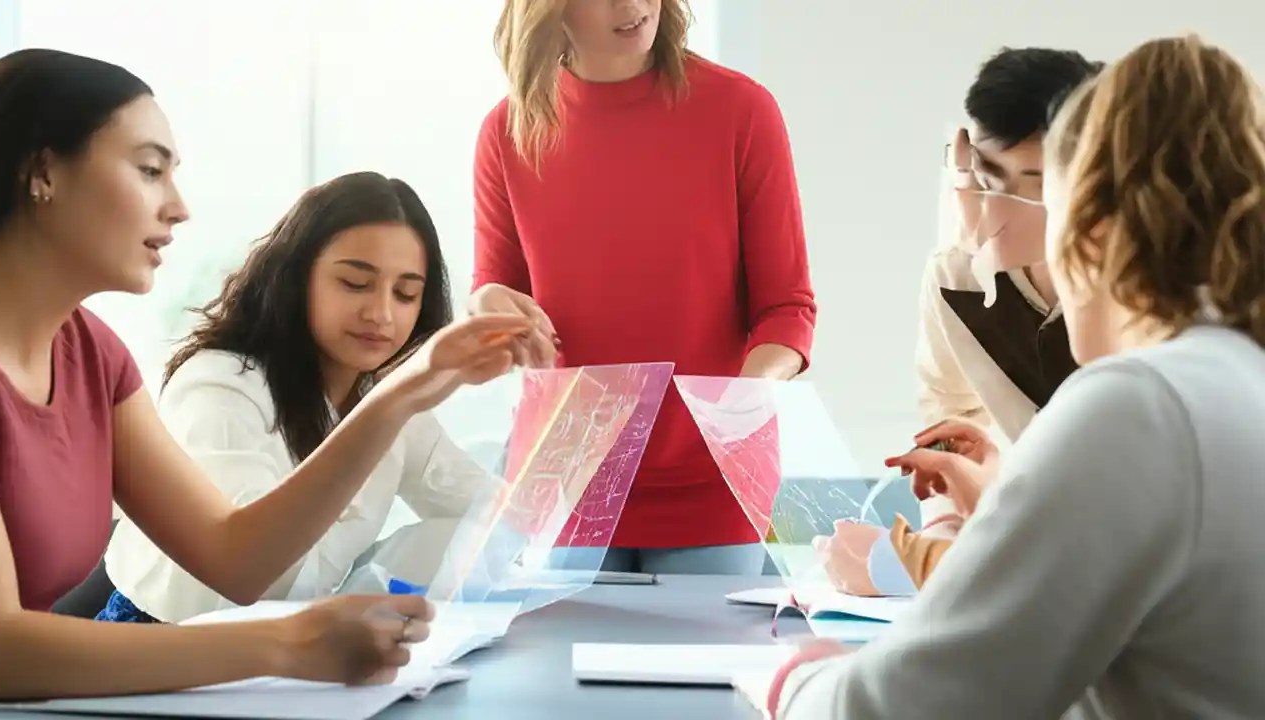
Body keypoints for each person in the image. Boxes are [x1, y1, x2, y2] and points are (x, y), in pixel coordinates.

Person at [0, 49, 533, 699]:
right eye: (150, 170)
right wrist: (287, 643)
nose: (179, 207)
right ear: (44, 172)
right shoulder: (220, 381)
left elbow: (236, 561)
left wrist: (403, 395)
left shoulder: (94, 355)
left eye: (406, 292)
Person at [770, 35, 1265, 718]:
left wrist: (795, 684)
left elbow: (925, 702)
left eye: (1042, 196)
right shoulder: (1236, 377)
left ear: (1091, 223)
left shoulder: (1137, 405)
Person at [470, 0, 816, 575]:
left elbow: (788, 309)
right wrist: (488, 309)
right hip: (566, 475)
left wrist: (743, 400)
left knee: (704, 640)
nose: (632, 5)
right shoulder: (506, 133)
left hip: (710, 479)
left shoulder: (741, 110)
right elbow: (494, 285)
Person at [97, 171, 502, 623]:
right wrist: (397, 399)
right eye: (355, 283)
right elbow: (250, 574)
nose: (381, 314)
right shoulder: (222, 385)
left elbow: (495, 512)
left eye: (406, 294)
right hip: (165, 638)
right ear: (296, 277)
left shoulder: (384, 397)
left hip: (290, 643)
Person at [816, 48, 1104, 596]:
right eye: (987, 176)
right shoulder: (957, 279)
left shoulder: (1139, 300)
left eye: (1033, 183)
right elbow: (949, 417)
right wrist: (945, 528)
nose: (994, 207)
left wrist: (910, 566)